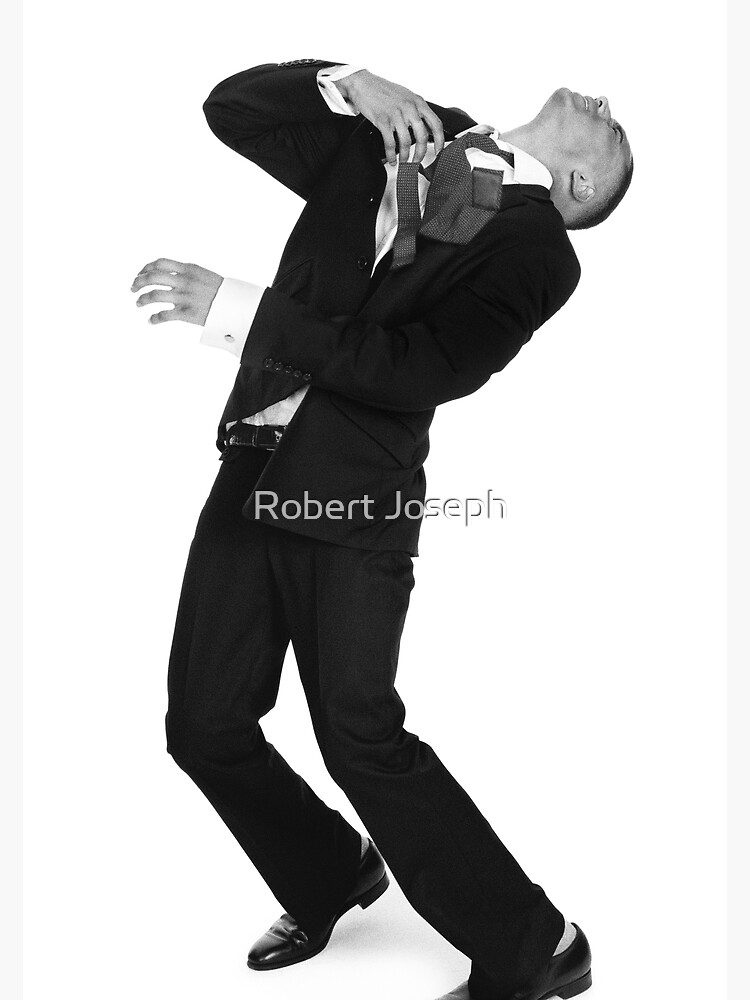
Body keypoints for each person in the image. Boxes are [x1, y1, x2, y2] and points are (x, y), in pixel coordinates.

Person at [131, 59, 633, 1000]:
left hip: (356, 494)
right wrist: (347, 80)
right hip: (256, 454)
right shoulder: (412, 127)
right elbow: (231, 111)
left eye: (613, 135)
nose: (603, 106)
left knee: (358, 734)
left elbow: (416, 368)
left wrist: (240, 311)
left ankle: (539, 946)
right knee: (202, 724)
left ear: (579, 185)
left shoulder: (540, 254)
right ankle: (330, 871)